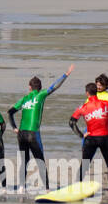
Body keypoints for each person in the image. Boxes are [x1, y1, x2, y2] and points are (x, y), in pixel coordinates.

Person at [7, 64, 73, 192]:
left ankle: (21, 187)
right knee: (40, 160)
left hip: (21, 134)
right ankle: (47, 188)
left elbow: (10, 112)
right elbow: (54, 86)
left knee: (24, 160)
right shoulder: (41, 95)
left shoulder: (24, 99)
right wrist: (66, 75)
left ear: (30, 87)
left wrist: (14, 127)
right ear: (40, 88)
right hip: (33, 133)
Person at [68, 82, 108, 191]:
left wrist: (81, 135)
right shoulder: (107, 104)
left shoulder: (83, 107)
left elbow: (71, 122)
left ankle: (78, 187)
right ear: (96, 92)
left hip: (91, 138)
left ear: (87, 93)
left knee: (85, 164)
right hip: (106, 138)